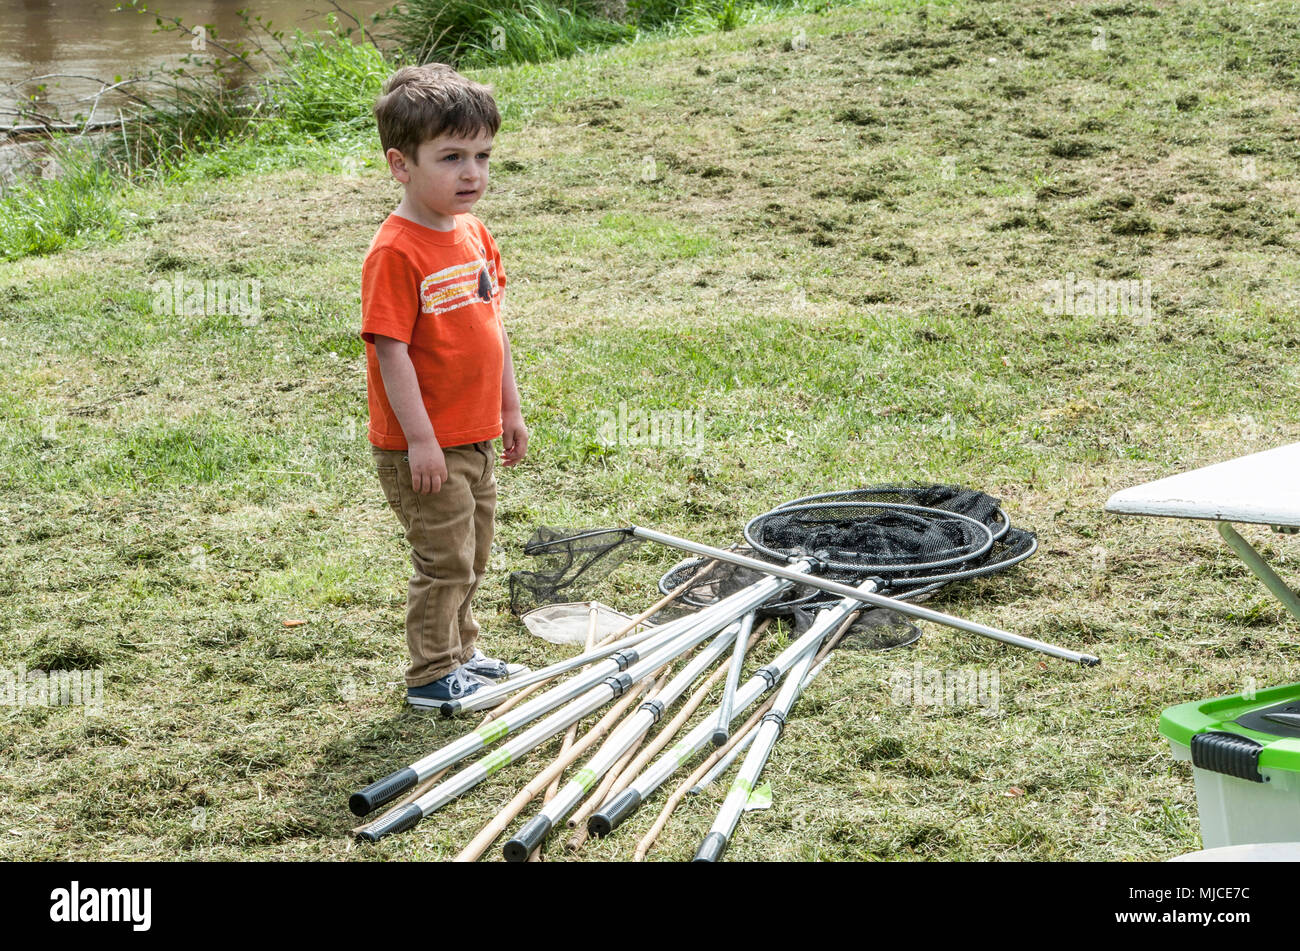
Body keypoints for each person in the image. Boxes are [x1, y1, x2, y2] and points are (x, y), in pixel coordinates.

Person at [361, 63, 529, 708]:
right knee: (444, 561)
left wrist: (508, 409)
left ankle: (463, 652)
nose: (472, 174)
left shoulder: (472, 234)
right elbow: (390, 354)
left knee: (474, 551)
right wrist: (422, 442)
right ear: (401, 165)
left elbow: (492, 328)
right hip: (425, 448)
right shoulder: (396, 251)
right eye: (452, 157)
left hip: (477, 432)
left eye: (482, 156)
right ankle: (433, 675)